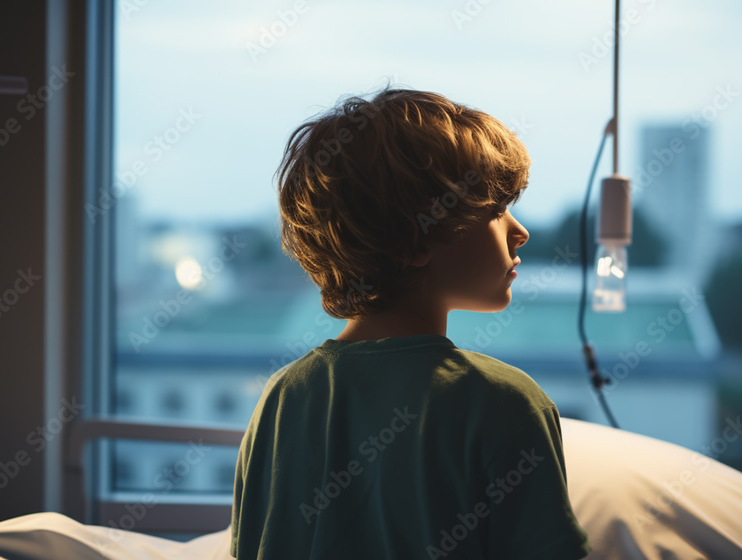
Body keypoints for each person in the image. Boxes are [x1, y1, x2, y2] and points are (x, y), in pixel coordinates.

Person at [230, 87, 591, 559]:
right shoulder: (503, 403)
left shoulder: (280, 398)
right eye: (496, 211)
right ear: (412, 242)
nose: (520, 232)